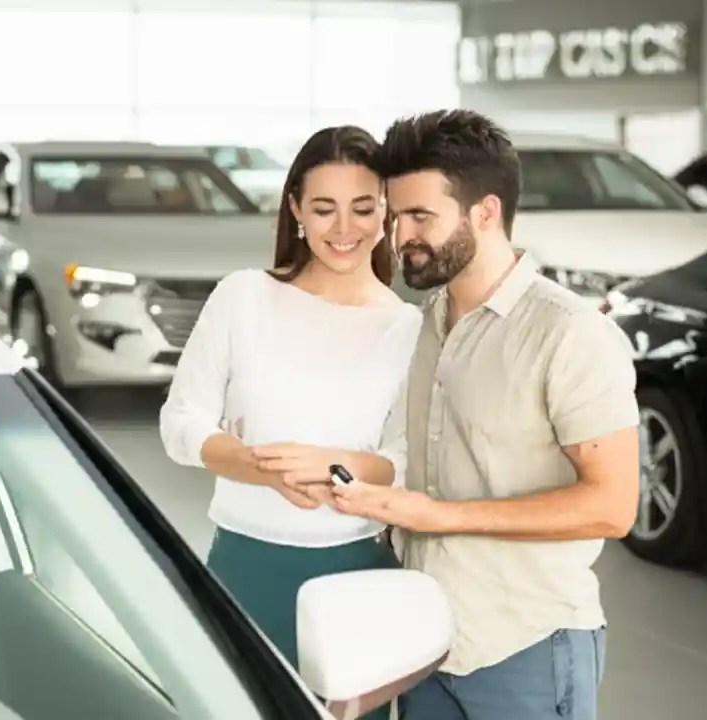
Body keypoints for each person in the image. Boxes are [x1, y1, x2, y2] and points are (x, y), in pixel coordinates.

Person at [308, 110, 639, 720]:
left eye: (421, 217)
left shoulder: (568, 334)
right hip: (425, 645)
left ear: (485, 212)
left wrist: (436, 516)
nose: (400, 233)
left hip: (527, 648)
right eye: (396, 214)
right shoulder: (427, 323)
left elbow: (613, 507)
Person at [159, 126, 422, 720]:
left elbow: (404, 462)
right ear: (296, 210)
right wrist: (260, 468)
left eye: (363, 208)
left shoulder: (409, 328)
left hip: (354, 578)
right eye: (324, 208)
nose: (344, 228)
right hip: (244, 570)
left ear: (386, 214)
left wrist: (334, 469)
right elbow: (181, 422)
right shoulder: (243, 296)